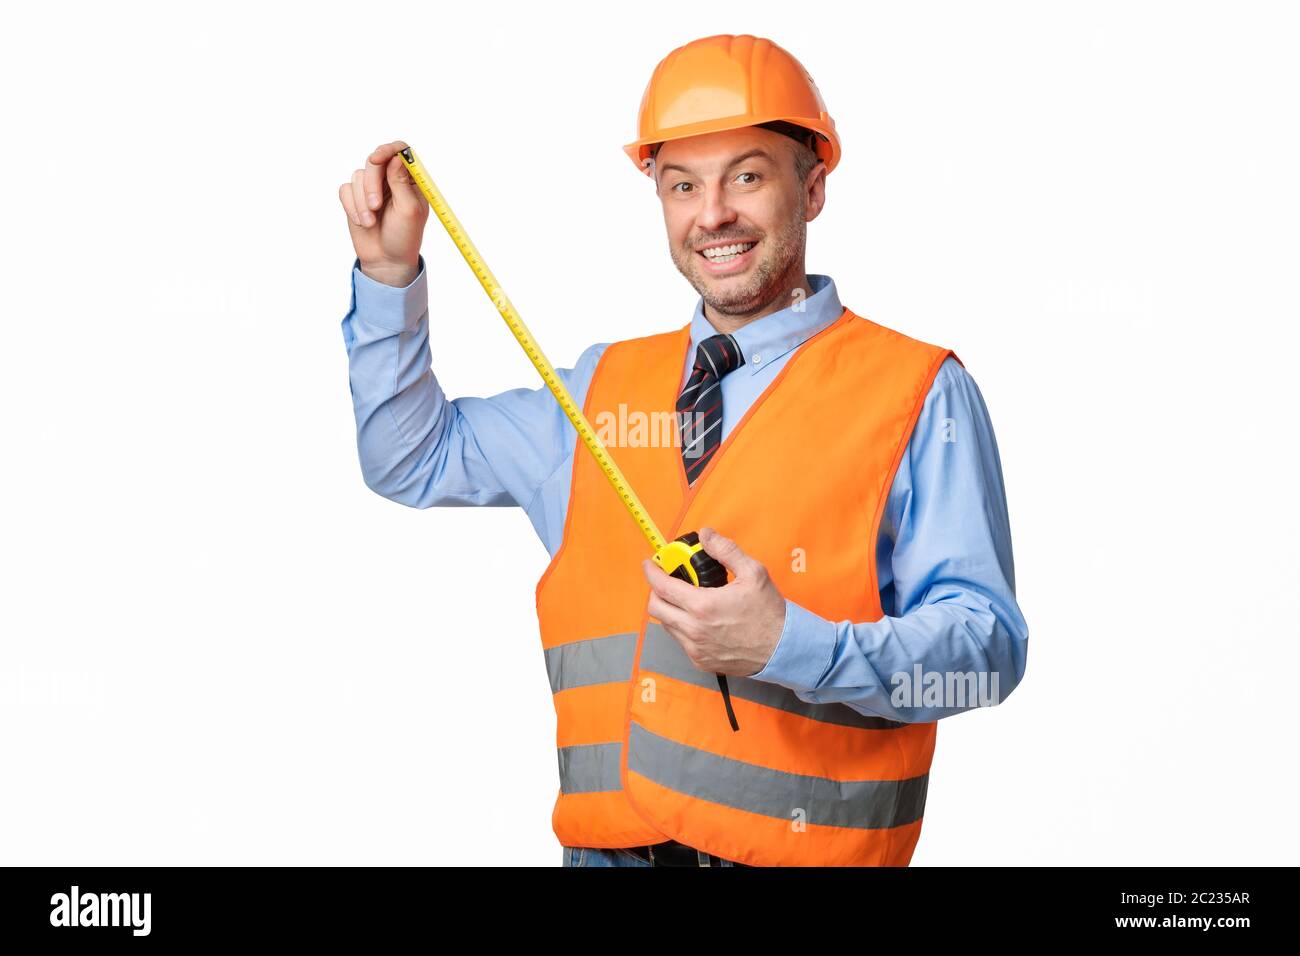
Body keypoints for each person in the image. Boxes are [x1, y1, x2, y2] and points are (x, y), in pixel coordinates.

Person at [338, 34, 1028, 867]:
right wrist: (387, 274)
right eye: (681, 185)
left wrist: (792, 646)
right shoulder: (596, 395)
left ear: (811, 189)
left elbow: (986, 651)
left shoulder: (917, 392)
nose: (713, 215)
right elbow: (407, 458)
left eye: (747, 175)